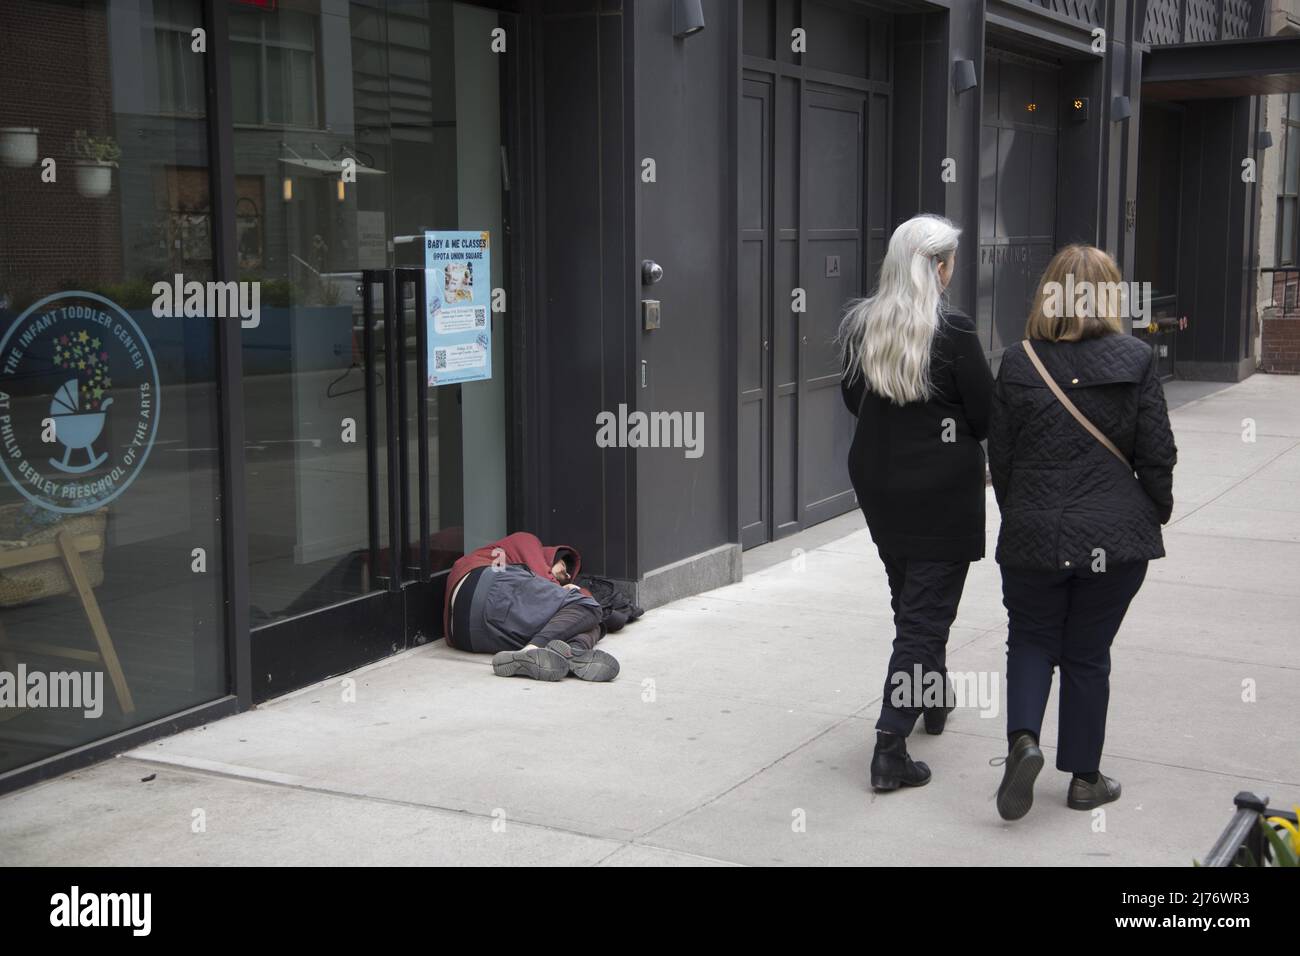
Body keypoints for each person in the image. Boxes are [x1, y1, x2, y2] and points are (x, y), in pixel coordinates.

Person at [987, 244, 1176, 820]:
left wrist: (1020, 512)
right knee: (1089, 652)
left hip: (1036, 535)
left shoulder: (1019, 362)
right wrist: (1157, 509)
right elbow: (1157, 452)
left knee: (1032, 637)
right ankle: (1085, 780)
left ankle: (1024, 740)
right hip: (1114, 537)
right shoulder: (1136, 359)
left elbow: (1002, 457)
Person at [839, 214, 993, 792]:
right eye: (949, 260)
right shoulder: (953, 330)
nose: (953, 270)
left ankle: (933, 695)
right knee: (925, 614)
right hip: (940, 492)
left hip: (880, 484)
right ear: (937, 267)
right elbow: (985, 416)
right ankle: (889, 746)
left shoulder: (863, 325)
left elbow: (857, 401)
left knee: (913, 597)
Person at [443, 532, 619, 682]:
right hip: (485, 582)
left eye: (566, 577)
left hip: (465, 636)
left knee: (587, 623)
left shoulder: (530, 602)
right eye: (564, 566)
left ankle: (570, 653)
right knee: (587, 607)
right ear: (553, 555)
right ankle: (532, 650)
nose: (564, 575)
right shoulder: (528, 541)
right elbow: (548, 579)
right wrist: (575, 591)